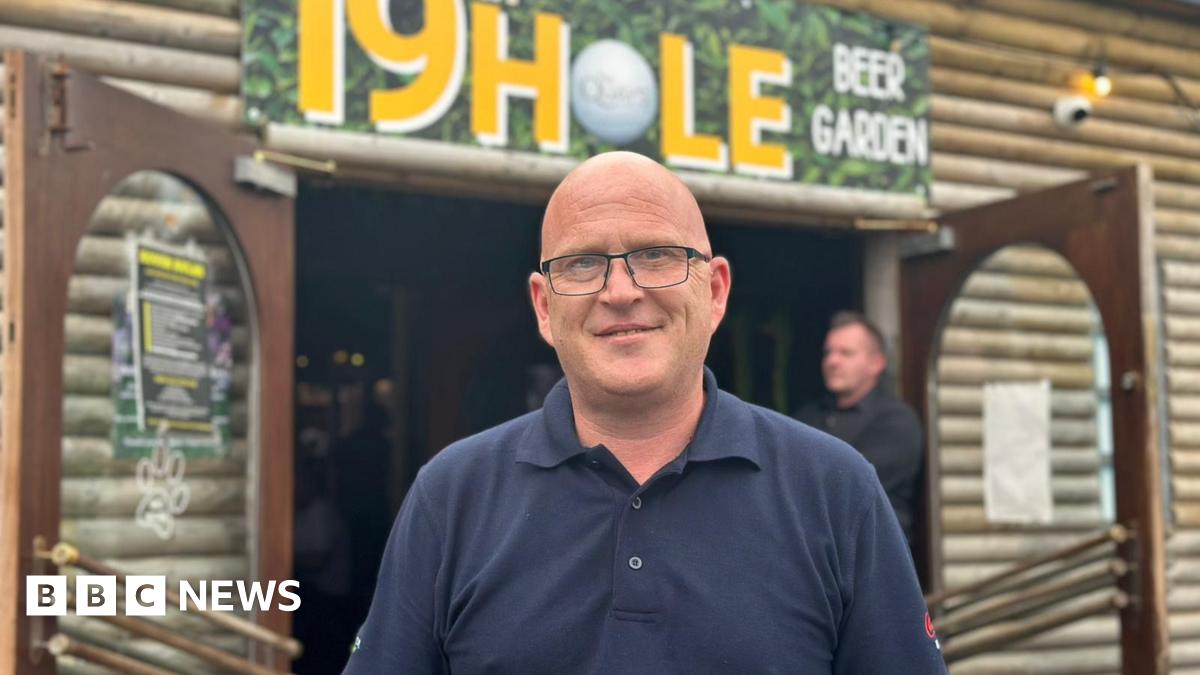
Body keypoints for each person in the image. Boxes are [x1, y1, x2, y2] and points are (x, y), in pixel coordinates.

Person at [343, 153, 945, 673]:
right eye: (581, 264)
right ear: (543, 308)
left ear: (713, 291)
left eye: (656, 255)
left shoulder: (837, 491)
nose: (621, 291)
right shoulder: (450, 496)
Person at [796, 311, 925, 548]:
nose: (832, 361)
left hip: (872, 561)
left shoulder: (896, 421)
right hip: (813, 559)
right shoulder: (807, 416)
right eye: (828, 352)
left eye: (846, 353)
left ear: (876, 363)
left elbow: (848, 486)